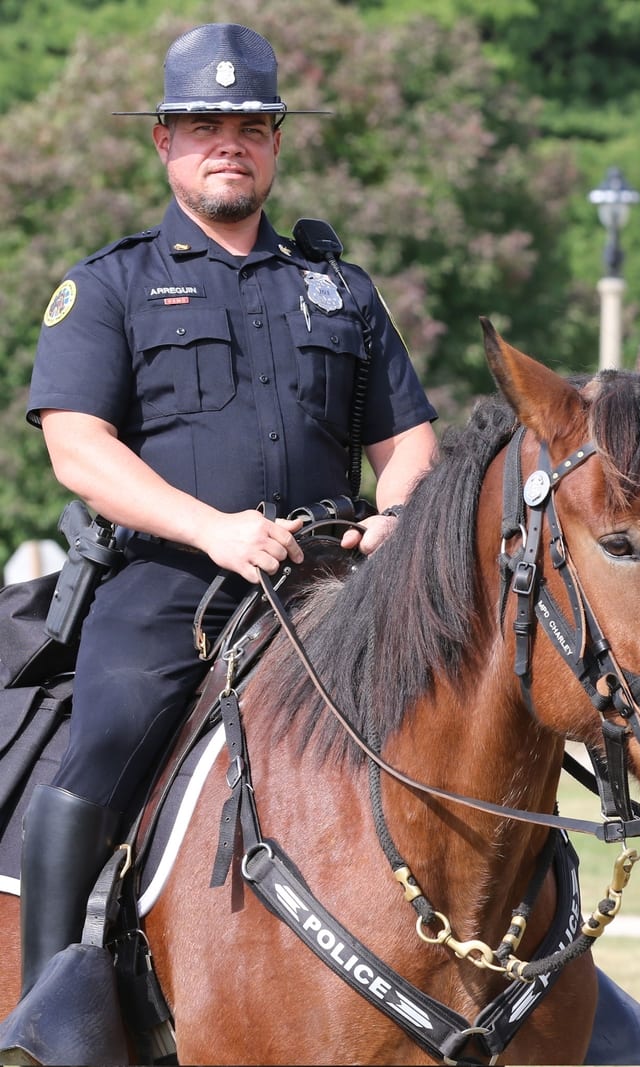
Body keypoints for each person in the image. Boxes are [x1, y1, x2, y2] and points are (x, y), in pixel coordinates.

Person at [1, 19, 437, 1033]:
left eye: (246, 123)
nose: (225, 140)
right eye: (202, 123)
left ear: (276, 142)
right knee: (103, 738)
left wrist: (399, 517)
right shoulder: (107, 284)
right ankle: (53, 1005)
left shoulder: (340, 289)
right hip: (168, 585)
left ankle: (551, 979)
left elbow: (408, 436)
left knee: (476, 705)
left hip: (332, 579)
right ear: (164, 142)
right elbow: (78, 448)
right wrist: (212, 529)